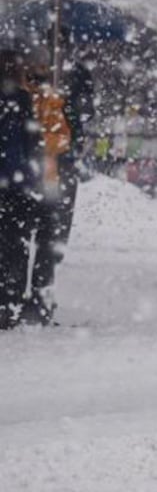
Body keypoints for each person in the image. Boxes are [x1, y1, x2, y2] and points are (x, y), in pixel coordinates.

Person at [28, 31, 92, 322]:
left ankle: (40, 291)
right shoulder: (33, 80)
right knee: (46, 227)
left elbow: (83, 114)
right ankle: (34, 293)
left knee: (52, 229)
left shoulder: (73, 77)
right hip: (42, 162)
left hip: (56, 161)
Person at [0, 50, 43, 329]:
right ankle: (9, 304)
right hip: (16, 182)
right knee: (15, 246)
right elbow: (32, 142)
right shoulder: (22, 98)